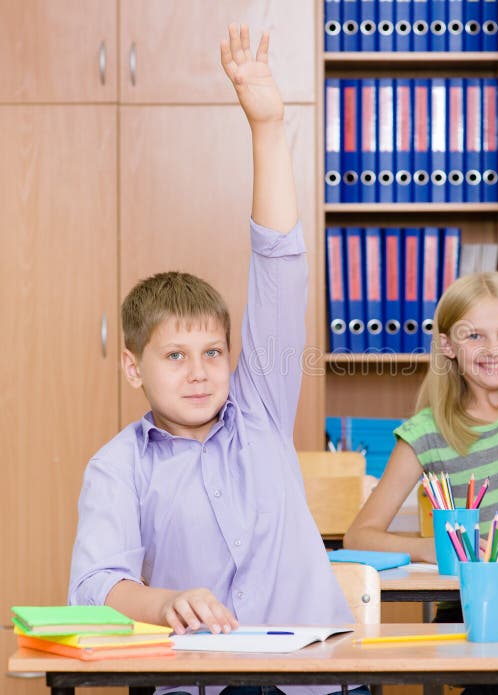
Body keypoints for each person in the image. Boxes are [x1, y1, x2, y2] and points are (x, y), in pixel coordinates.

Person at [68, 24, 365, 695]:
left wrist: (266, 125)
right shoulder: (118, 465)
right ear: (133, 367)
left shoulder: (260, 405)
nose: (198, 369)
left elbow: (280, 268)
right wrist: (161, 602)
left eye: (212, 352)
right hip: (198, 686)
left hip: (315, 685)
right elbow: (93, 586)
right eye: (174, 355)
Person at [343, 43, 498, 564]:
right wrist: (445, 549)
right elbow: (359, 536)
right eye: (472, 335)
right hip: (479, 597)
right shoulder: (427, 432)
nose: (492, 348)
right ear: (448, 346)